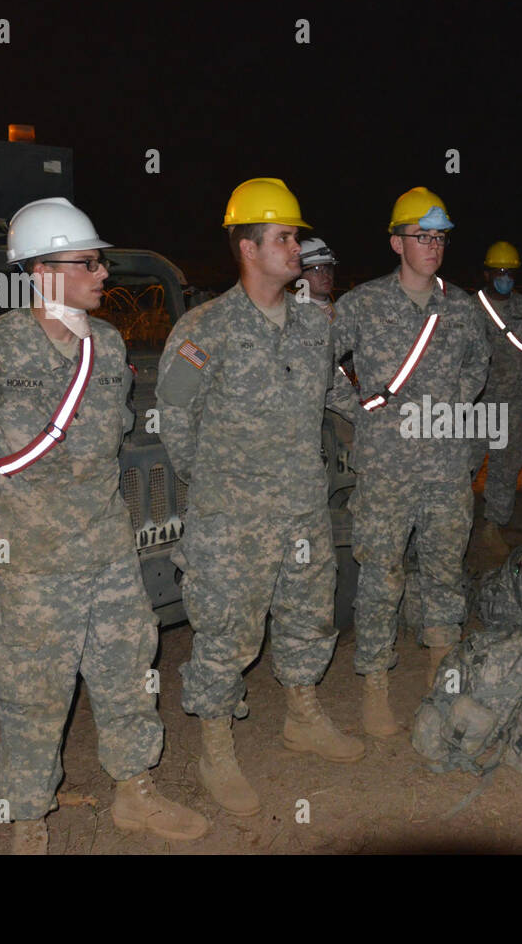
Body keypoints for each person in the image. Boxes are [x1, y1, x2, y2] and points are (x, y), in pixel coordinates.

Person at [0, 198, 208, 852]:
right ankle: (29, 820)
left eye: (101, 261)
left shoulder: (109, 343)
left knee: (129, 674)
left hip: (108, 555)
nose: (104, 273)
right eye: (88, 262)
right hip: (30, 566)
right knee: (31, 701)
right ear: (43, 270)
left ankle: (136, 791)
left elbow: (116, 434)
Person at [156, 179, 363, 819]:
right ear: (248, 247)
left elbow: (333, 399)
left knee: (309, 614)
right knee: (225, 634)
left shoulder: (312, 326)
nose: (296, 247)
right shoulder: (204, 329)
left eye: (296, 236)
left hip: (303, 508)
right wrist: (223, 488)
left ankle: (302, 714)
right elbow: (176, 423)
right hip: (229, 520)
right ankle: (216, 749)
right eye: (284, 237)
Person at [330, 187, 489, 735]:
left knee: (445, 572)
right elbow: (321, 362)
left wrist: (448, 409)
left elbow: (478, 367)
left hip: (447, 466)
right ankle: (375, 686)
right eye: (422, 237)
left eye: (440, 238)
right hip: (385, 467)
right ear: (397, 242)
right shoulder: (362, 304)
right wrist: (360, 409)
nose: (433, 246)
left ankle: (440, 684)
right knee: (382, 574)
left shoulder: (463, 308)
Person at [467, 241, 522, 562]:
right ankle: (451, 528)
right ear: (486, 274)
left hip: (513, 405)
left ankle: (493, 527)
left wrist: (521, 394)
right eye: (499, 272)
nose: (505, 278)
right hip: (476, 406)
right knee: (463, 468)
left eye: (510, 273)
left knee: (506, 466)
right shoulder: (469, 311)